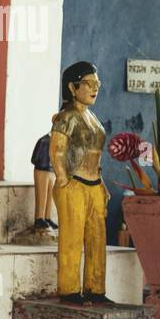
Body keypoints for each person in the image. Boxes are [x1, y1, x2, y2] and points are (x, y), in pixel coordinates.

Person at [51, 61, 109, 304]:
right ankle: (69, 289)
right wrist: (63, 179)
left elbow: (95, 155)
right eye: (89, 84)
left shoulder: (92, 116)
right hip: (73, 184)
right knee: (72, 239)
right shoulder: (66, 117)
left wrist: (101, 183)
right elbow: (57, 150)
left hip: (94, 184)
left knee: (97, 239)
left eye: (97, 84)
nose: (95, 89)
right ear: (73, 87)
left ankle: (95, 289)